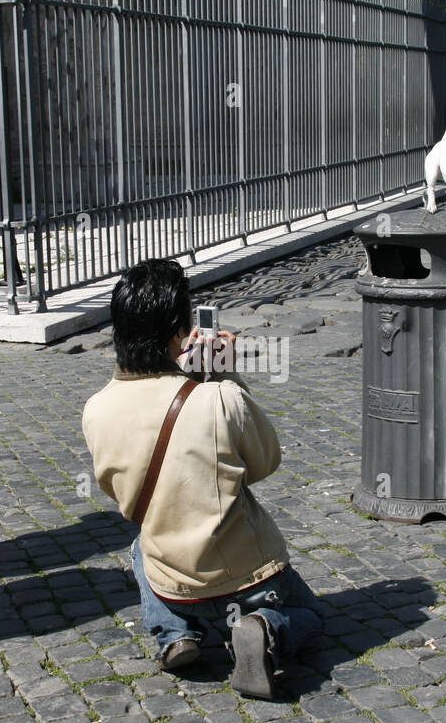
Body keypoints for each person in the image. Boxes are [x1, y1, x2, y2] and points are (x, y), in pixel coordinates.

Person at [82, 259, 324, 698]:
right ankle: (264, 629)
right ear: (178, 333)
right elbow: (265, 462)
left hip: (172, 581)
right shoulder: (218, 397)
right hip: (249, 578)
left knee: (140, 546)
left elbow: (116, 490)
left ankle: (174, 633)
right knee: (311, 614)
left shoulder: (96, 410)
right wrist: (223, 374)